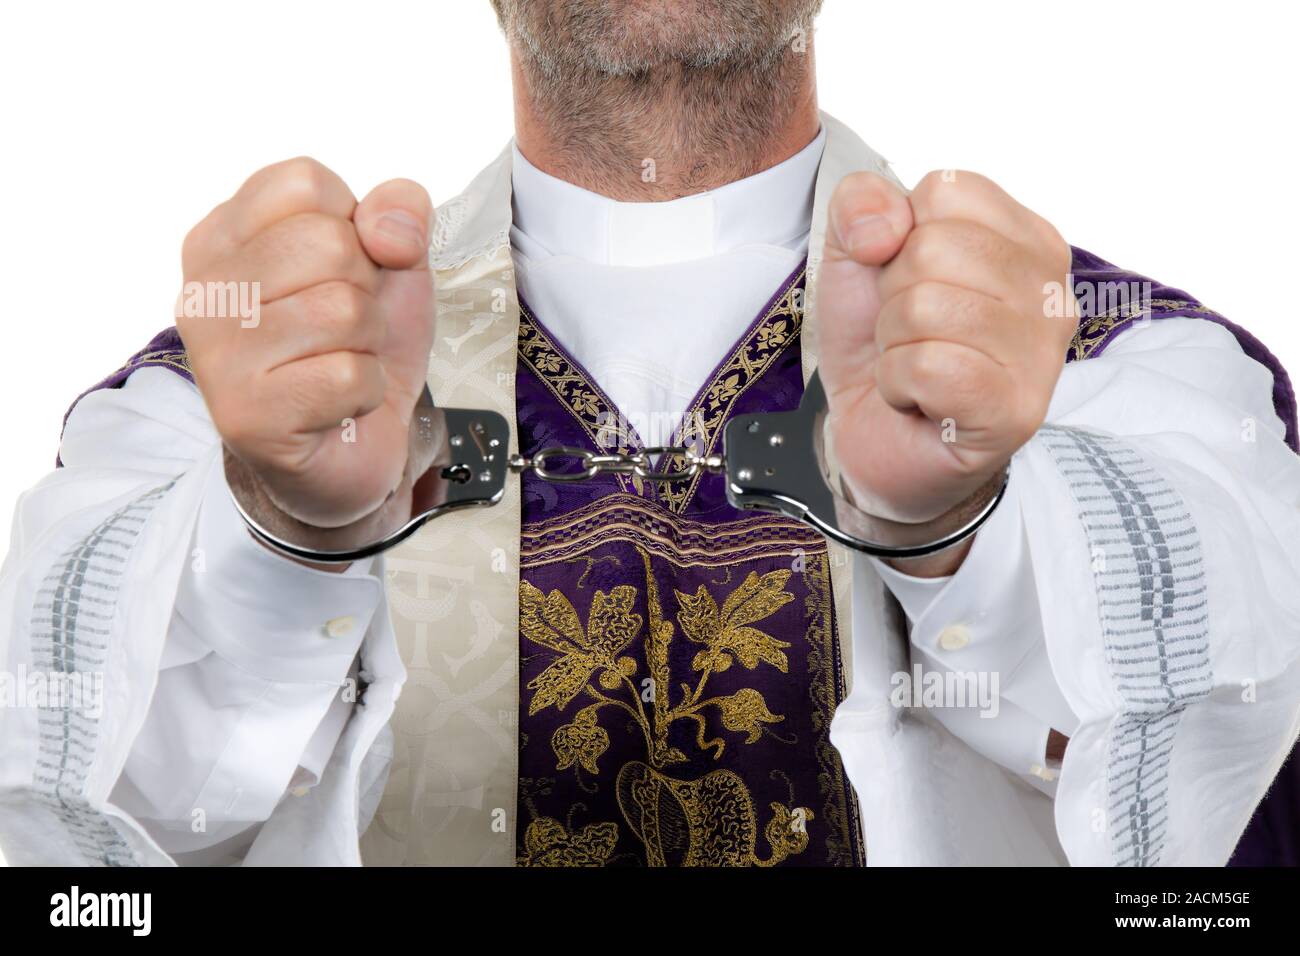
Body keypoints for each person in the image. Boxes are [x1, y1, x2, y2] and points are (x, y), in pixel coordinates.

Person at [2, 0, 1298, 867]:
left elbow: (1231, 768)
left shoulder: (1127, 369)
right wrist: (282, 529)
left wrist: (961, 524)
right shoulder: (214, 408)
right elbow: (69, 821)